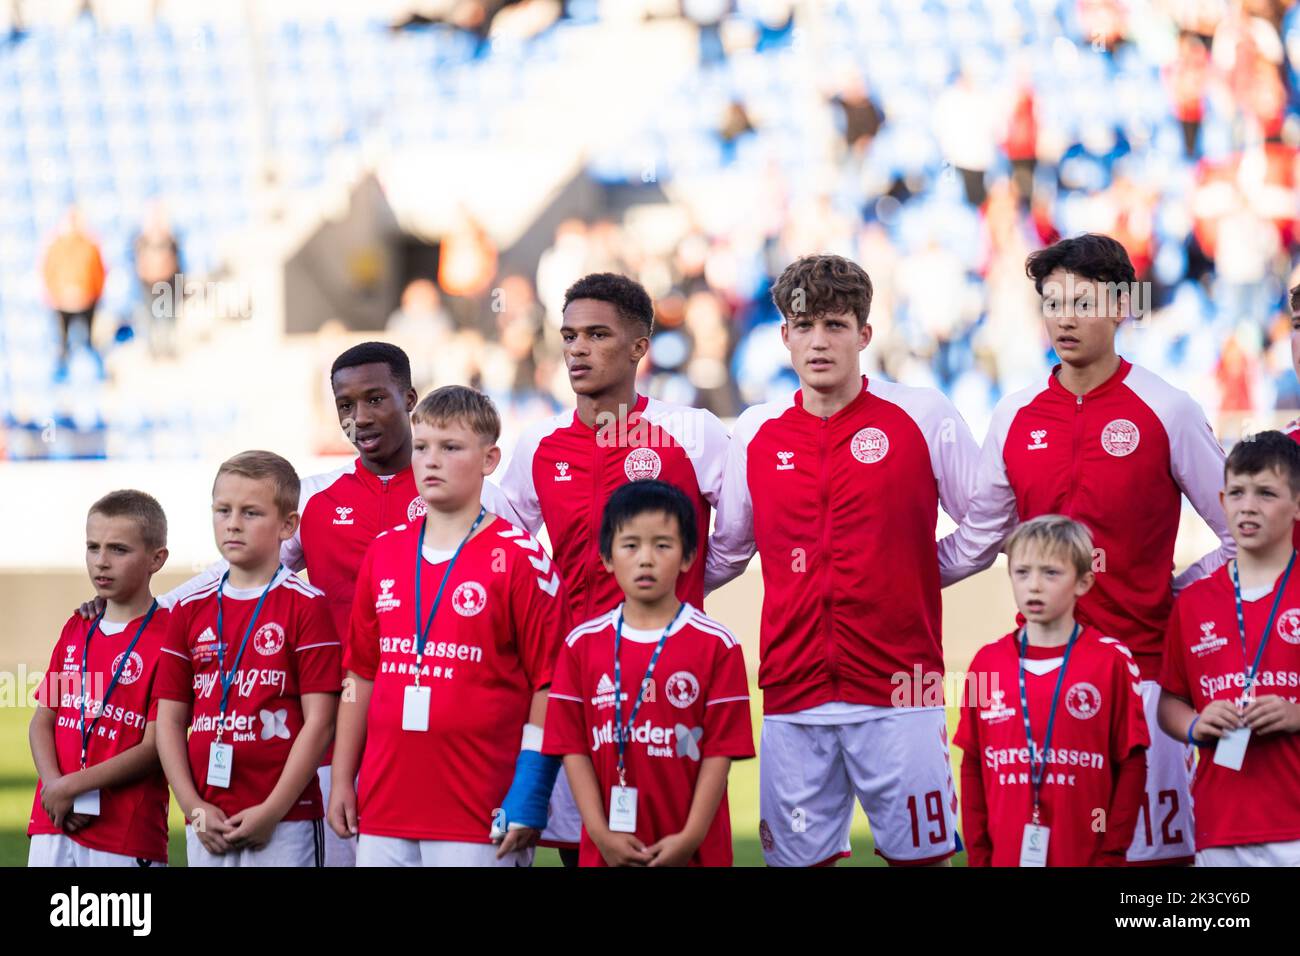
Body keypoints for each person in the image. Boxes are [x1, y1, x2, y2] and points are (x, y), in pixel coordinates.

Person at [76, 341, 517, 866]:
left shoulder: (479, 497)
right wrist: (140, 604)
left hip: (452, 737)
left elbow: (522, 582)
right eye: (346, 406)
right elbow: (238, 572)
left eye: (376, 399)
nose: (360, 418)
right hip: (337, 732)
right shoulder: (316, 501)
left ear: (410, 399)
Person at [938, 233, 1234, 865]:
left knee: (1154, 869)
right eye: (1051, 303)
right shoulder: (1015, 415)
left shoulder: (1168, 409)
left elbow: (1241, 532)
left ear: (1124, 305)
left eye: (1082, 301)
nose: (1064, 318)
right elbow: (977, 541)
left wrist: (1177, 589)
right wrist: (895, 569)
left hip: (1150, 679)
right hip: (1037, 684)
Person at [707, 253, 980, 866]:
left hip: (902, 691)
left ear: (864, 333)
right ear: (784, 336)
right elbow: (727, 549)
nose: (819, 341)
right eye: (804, 327)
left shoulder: (923, 413)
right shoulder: (755, 431)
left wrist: (919, 569)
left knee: (923, 860)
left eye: (835, 325)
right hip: (791, 695)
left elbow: (987, 520)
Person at [500, 272, 730, 862]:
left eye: (597, 334)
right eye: (569, 335)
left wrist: (680, 598)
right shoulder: (539, 445)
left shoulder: (693, 432)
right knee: (588, 848)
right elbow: (507, 550)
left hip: (673, 678)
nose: (577, 349)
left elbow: (734, 539)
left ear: (638, 348)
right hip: (579, 684)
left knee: (683, 845)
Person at [330, 386, 569, 867]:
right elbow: (359, 676)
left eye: (451, 447)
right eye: (422, 447)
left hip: (481, 813)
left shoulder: (521, 559)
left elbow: (553, 684)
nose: (430, 461)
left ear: (489, 458)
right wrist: (341, 778)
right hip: (384, 809)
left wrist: (531, 789)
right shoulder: (385, 551)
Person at [543, 481, 754, 866]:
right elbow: (571, 748)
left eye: (662, 545)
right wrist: (601, 835)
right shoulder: (581, 645)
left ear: (689, 556)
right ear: (607, 558)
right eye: (630, 545)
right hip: (607, 851)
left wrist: (689, 838)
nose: (646, 559)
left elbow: (719, 753)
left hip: (693, 852)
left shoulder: (717, 645)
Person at [153, 452, 341, 867]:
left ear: (288, 526)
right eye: (223, 510)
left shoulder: (307, 606)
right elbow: (168, 720)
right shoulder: (188, 608)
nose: (233, 522)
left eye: (251, 512)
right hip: (207, 819)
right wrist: (192, 807)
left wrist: (272, 811)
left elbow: (321, 722)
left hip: (285, 820)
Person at [956, 515, 1149, 866]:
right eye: (1022, 572)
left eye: (1051, 573)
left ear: (1084, 582)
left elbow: (1132, 764)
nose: (1034, 586)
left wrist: (1112, 853)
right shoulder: (987, 662)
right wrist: (980, 854)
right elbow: (972, 766)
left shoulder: (1111, 662)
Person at [1158, 431, 1300, 866]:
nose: (1248, 505)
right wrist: (1198, 724)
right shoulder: (1195, 601)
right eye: (1237, 492)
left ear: (1298, 504)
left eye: (1267, 493)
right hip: (1220, 828)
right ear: (1221, 501)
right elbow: (1171, 702)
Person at [27, 491, 173, 867]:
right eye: (93, 547)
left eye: (119, 550)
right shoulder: (78, 626)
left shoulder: (171, 640)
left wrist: (74, 785)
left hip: (125, 832)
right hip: (53, 820)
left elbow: (156, 746)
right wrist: (54, 786)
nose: (101, 562)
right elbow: (44, 719)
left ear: (157, 559)